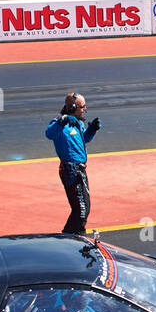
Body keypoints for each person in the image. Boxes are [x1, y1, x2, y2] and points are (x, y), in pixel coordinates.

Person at [45, 92, 102, 234]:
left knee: (83, 207)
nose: (84, 110)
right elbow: (49, 134)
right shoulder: (60, 121)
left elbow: (84, 139)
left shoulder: (78, 122)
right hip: (71, 170)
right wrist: (62, 121)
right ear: (71, 108)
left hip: (80, 169)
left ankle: (71, 234)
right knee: (81, 209)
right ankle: (74, 235)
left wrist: (92, 130)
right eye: (82, 107)